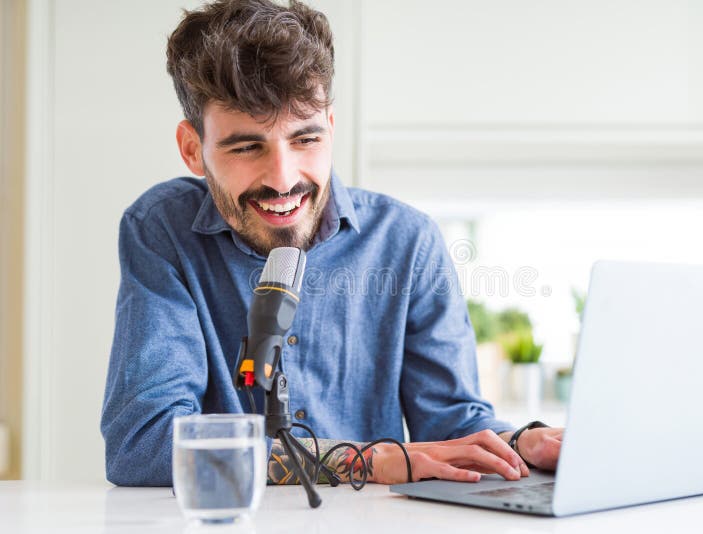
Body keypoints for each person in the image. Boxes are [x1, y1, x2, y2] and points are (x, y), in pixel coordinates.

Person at [100, 0, 562, 487]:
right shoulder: (162, 230)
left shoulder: (408, 241)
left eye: (306, 139)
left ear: (331, 128)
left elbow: (451, 427)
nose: (283, 180)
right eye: (246, 146)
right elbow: (143, 445)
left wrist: (520, 443)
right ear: (193, 149)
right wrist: (365, 461)